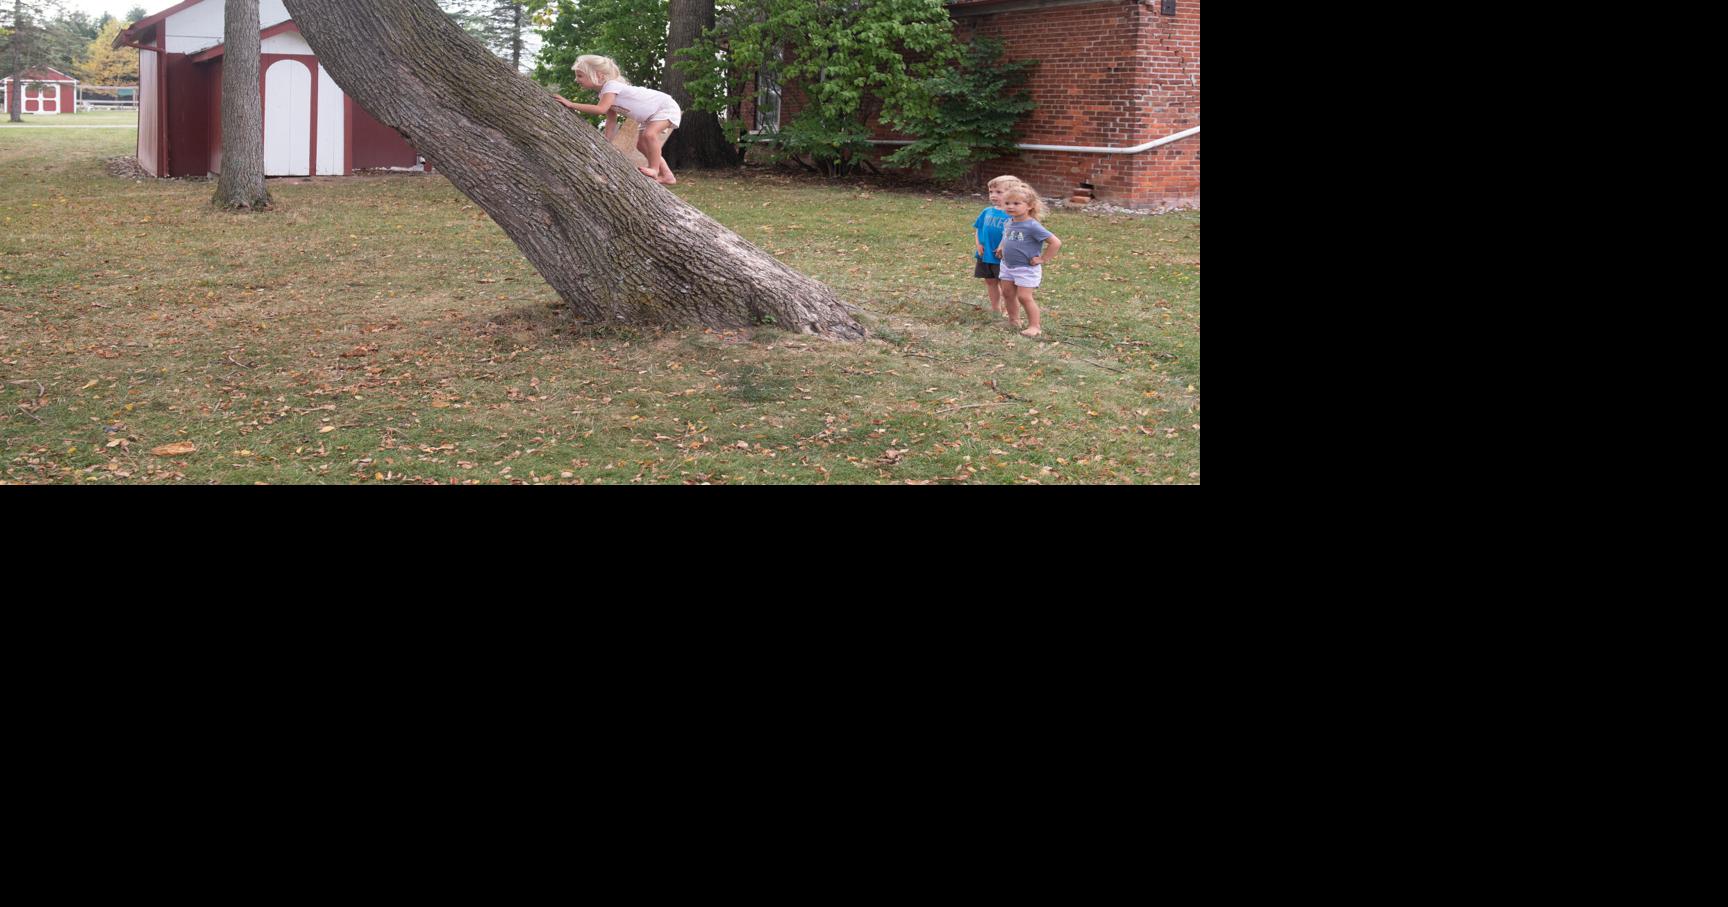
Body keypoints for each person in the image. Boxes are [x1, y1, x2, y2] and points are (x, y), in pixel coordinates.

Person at [554, 54, 682, 185]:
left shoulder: (611, 86)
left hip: (664, 108)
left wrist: (571, 104)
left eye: (580, 75)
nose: (576, 79)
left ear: (599, 75)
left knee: (650, 135)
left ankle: (654, 169)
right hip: (649, 117)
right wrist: (607, 143)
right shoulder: (604, 94)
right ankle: (667, 175)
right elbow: (611, 121)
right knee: (641, 145)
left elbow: (601, 109)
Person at [994, 185, 1062, 337]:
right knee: (1007, 293)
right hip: (1007, 265)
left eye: (1016, 203)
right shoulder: (1010, 222)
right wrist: (1001, 247)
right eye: (1007, 203)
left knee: (1024, 297)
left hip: (1026, 268)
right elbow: (1006, 236)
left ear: (1029, 206)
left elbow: (1055, 242)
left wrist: (1043, 258)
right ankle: (1013, 321)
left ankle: (1034, 326)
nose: (1010, 207)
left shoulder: (1032, 226)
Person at [972, 175, 1023, 318]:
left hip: (1003, 257)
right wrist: (978, 244)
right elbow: (978, 228)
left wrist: (1003, 246)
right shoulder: (987, 211)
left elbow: (1013, 233)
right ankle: (996, 308)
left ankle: (1009, 310)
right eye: (991, 192)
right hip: (985, 254)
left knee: (1005, 285)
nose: (993, 195)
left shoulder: (1013, 214)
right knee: (990, 281)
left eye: (999, 192)